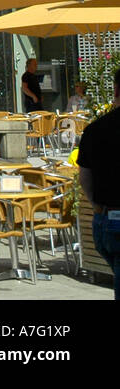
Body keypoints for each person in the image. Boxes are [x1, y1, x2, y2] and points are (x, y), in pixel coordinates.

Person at [77, 69, 120, 299]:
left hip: (108, 217)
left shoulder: (94, 130)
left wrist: (95, 205)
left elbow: (84, 177)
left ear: (115, 91)